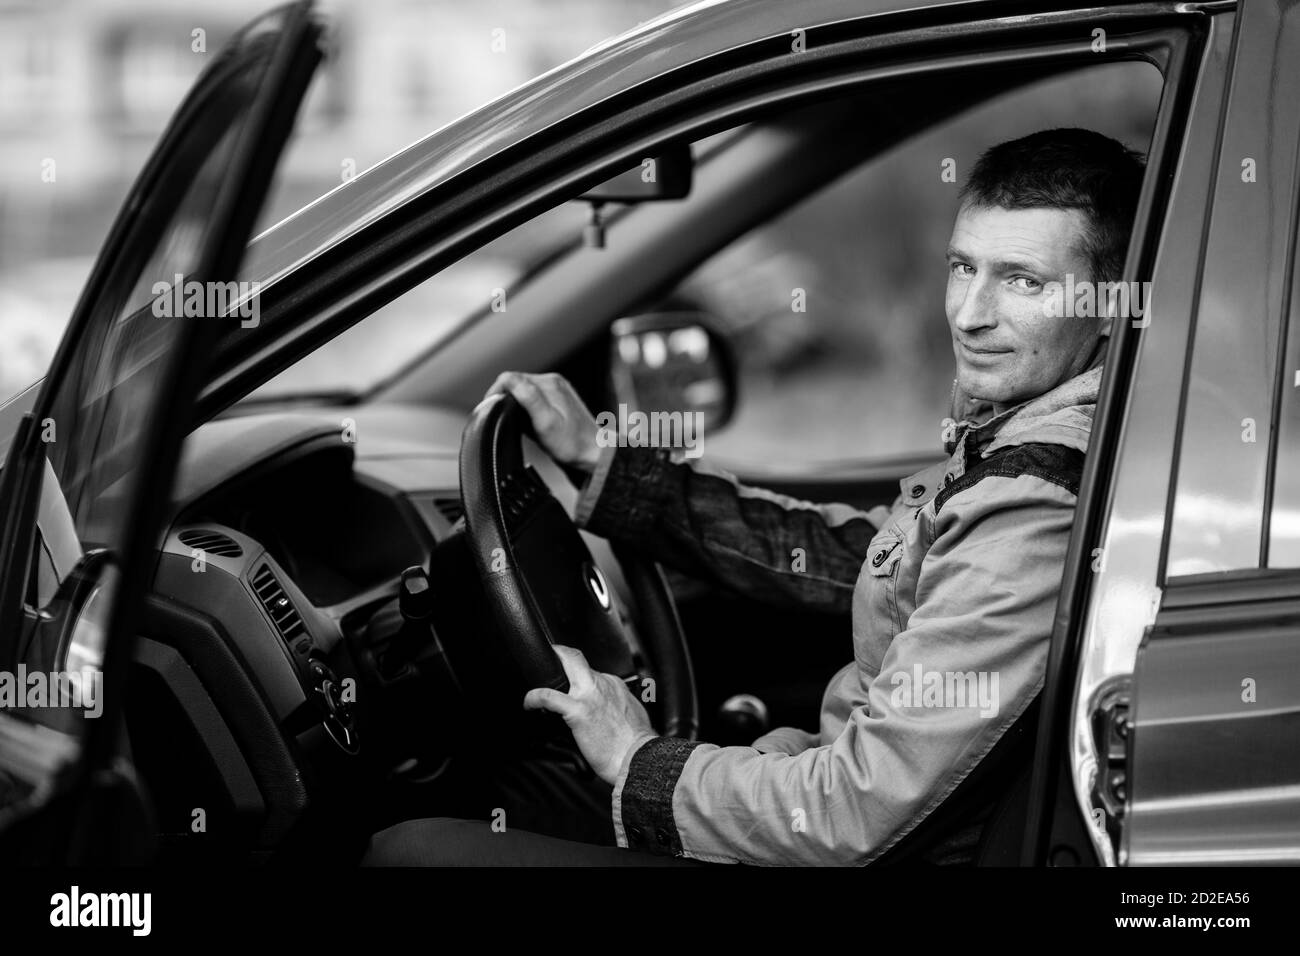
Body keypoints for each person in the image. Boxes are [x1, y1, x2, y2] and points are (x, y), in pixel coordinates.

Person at [364, 127, 1145, 866]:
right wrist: (611, 463)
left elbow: (855, 811)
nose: (971, 315)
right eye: (962, 267)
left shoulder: (1034, 498)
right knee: (508, 794)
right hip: (829, 806)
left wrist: (639, 756)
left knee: (409, 853)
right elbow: (850, 560)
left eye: (1023, 281)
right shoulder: (1010, 446)